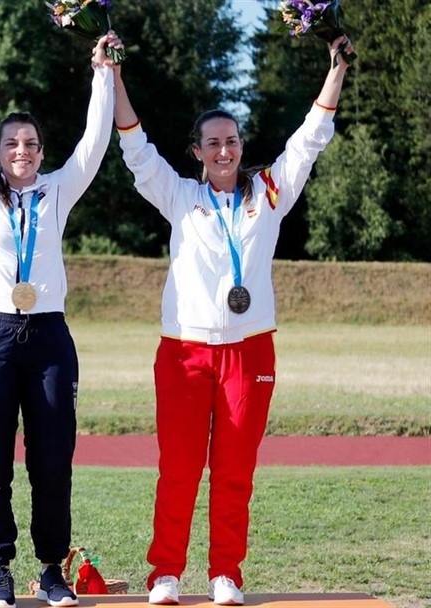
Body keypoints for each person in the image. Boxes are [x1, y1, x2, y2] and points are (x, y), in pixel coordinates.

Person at [112, 37, 355, 606]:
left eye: (232, 141)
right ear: (196, 151)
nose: (224, 151)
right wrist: (115, 75)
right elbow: (136, 150)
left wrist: (336, 69)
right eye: (213, 143)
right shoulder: (179, 196)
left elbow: (310, 140)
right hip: (184, 352)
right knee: (178, 470)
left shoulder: (269, 192)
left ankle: (226, 572)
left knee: (235, 470)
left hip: (250, 351)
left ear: (242, 147)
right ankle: (166, 572)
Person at [0, 14, 124, 608]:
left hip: (47, 338)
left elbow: (95, 144)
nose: (23, 151)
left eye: (32, 143)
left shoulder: (57, 191)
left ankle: (50, 569)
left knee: (51, 460)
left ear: (42, 153)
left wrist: (102, 73)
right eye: (12, 143)